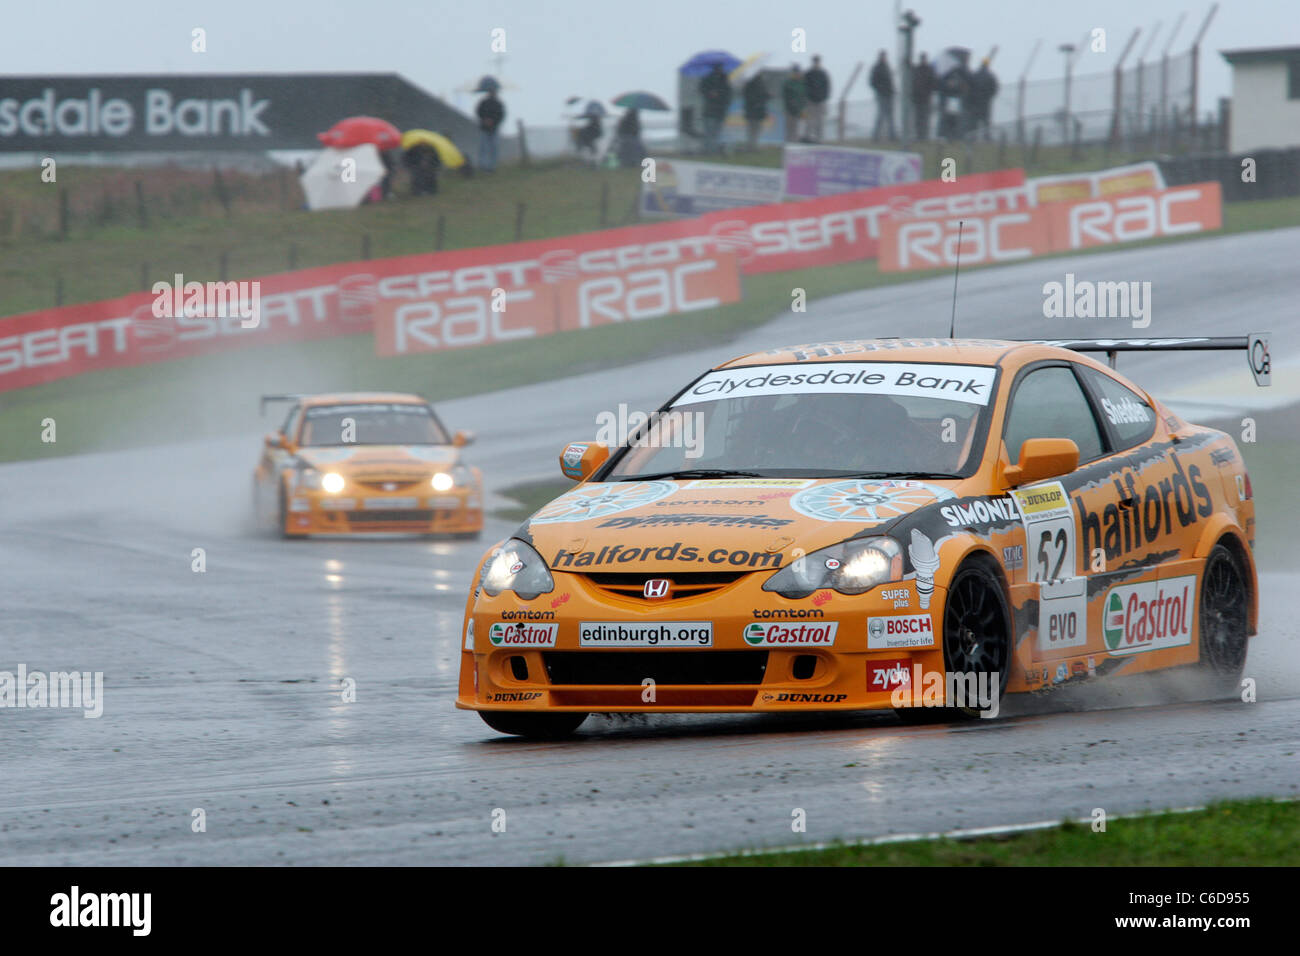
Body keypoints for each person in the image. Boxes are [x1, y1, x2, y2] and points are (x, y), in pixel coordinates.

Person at [699, 63, 733, 154]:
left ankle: (709, 150)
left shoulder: (708, 79)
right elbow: (728, 95)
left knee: (711, 132)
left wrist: (712, 94)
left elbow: (702, 90)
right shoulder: (723, 80)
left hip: (713, 110)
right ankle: (710, 150)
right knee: (714, 132)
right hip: (717, 110)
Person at [968, 59, 999, 140]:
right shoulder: (990, 76)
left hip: (975, 101)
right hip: (986, 102)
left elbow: (970, 88)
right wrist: (989, 96)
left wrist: (972, 97)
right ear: (988, 65)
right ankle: (987, 137)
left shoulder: (975, 75)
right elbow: (994, 89)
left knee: (974, 121)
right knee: (986, 121)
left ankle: (973, 137)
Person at [869, 50, 896, 141]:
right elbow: (872, 82)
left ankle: (892, 135)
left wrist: (892, 90)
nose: (884, 58)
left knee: (890, 116)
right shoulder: (877, 68)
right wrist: (880, 89)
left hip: (889, 94)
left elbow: (890, 81)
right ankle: (875, 136)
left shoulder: (887, 67)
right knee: (881, 115)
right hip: (882, 95)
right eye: (883, 56)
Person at [475, 89, 505, 172]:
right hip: (484, 128)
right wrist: (485, 120)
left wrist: (493, 121)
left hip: (494, 129)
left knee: (493, 148)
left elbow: (501, 115)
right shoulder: (483, 103)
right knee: (484, 147)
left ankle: (491, 167)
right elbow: (479, 112)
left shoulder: (498, 104)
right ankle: (483, 166)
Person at [803, 55, 831, 142]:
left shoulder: (823, 74)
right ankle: (808, 137)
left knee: (820, 121)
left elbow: (827, 87)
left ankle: (819, 138)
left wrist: (824, 97)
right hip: (811, 101)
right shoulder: (808, 74)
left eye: (817, 61)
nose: (816, 63)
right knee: (810, 121)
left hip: (821, 101)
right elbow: (805, 86)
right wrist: (809, 96)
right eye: (815, 61)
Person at [910, 52, 936, 141]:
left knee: (924, 119)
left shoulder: (927, 70)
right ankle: (919, 136)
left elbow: (932, 84)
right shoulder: (920, 70)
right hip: (919, 99)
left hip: (925, 98)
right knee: (919, 119)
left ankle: (924, 136)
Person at [741, 72, 770, 150]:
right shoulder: (759, 84)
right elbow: (760, 96)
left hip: (753, 111)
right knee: (754, 129)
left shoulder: (750, 84)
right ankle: (752, 145)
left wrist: (766, 96)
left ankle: (752, 145)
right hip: (756, 110)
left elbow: (747, 95)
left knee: (753, 129)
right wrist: (764, 97)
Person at [782, 64, 807, 143]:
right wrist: (791, 106)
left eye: (797, 72)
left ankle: (796, 144)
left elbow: (803, 96)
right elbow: (786, 97)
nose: (796, 74)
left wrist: (802, 107)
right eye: (795, 72)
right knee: (790, 128)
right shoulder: (788, 83)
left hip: (800, 110)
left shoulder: (802, 83)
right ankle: (789, 143)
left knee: (798, 129)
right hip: (790, 110)